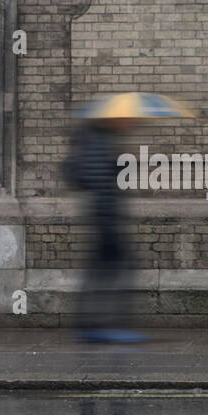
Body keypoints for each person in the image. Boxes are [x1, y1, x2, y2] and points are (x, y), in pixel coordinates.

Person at [67, 117, 145, 344]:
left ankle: (92, 325)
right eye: (126, 121)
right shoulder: (95, 142)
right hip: (105, 217)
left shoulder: (98, 141)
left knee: (101, 272)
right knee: (117, 270)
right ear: (113, 120)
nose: (129, 124)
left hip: (105, 215)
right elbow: (97, 179)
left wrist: (119, 160)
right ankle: (102, 325)